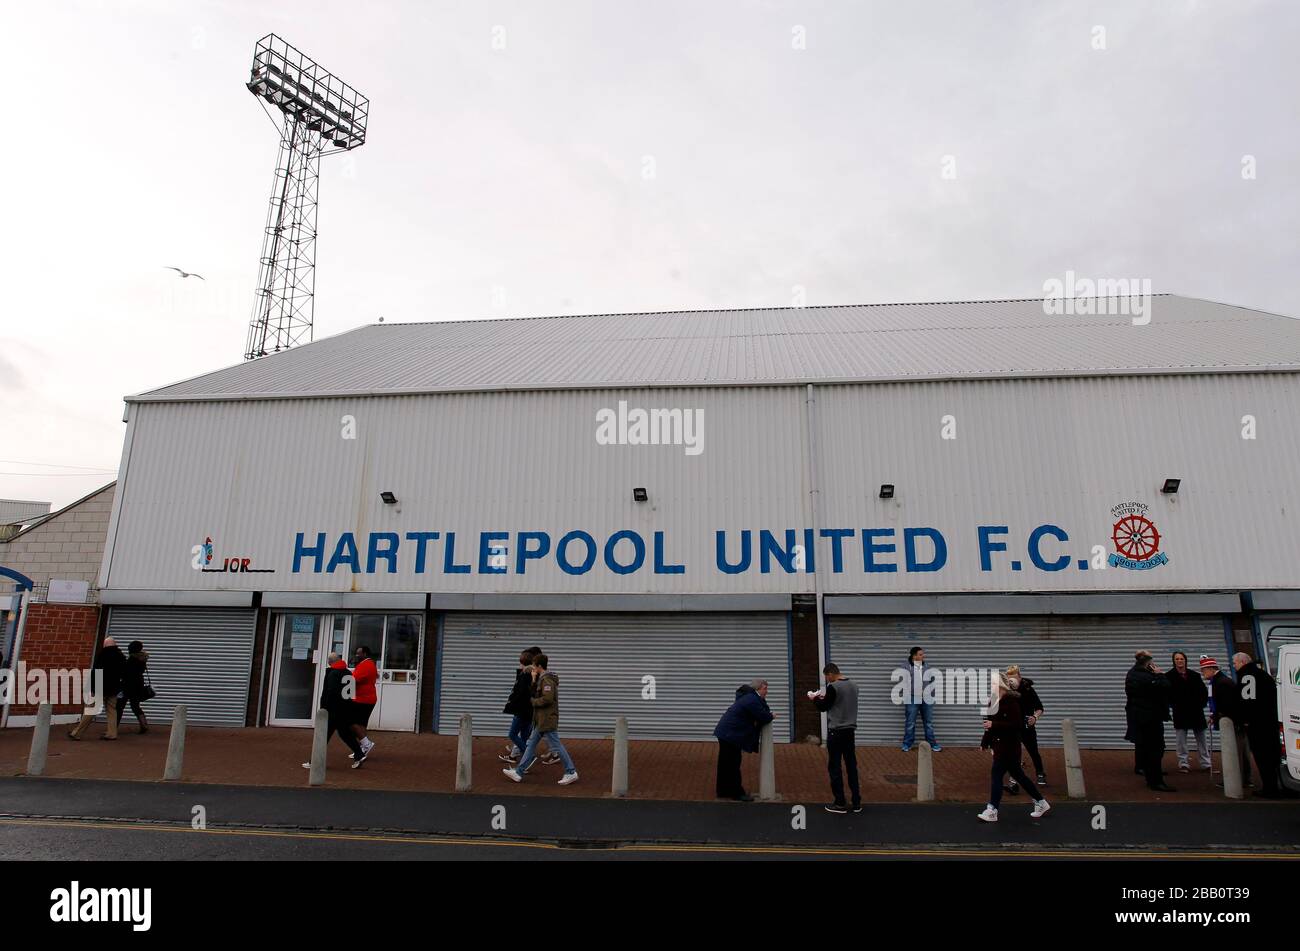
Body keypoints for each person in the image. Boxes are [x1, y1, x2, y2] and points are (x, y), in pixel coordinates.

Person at [977, 670, 1050, 822]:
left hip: (1009, 746)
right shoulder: (992, 701)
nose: (991, 686)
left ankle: (992, 810)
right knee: (1018, 776)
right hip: (999, 745)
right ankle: (1041, 802)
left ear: (1002, 685)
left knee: (997, 775)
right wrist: (985, 742)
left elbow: (1016, 725)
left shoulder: (1012, 702)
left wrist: (994, 724)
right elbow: (988, 725)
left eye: (993, 683)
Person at [502, 653, 578, 785]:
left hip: (547, 719)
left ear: (539, 666)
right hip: (541, 719)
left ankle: (571, 772)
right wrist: (532, 680)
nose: (533, 669)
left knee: (557, 746)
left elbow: (547, 699)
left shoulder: (547, 680)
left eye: (534, 666)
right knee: (531, 745)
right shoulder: (541, 678)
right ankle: (518, 772)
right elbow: (535, 692)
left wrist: (534, 702)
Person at [810, 663, 861, 814]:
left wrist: (814, 698)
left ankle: (840, 803)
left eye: (827, 677)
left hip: (836, 731)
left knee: (835, 767)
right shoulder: (854, 685)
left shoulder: (834, 687)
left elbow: (823, 707)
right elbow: (841, 702)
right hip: (850, 731)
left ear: (831, 674)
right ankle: (857, 802)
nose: (827, 680)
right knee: (851, 766)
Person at [712, 678, 775, 801]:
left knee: (725, 764)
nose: (766, 691)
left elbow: (763, 710)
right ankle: (737, 793)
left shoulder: (750, 698)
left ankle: (723, 791)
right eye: (765, 688)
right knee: (733, 763)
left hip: (726, 733)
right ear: (758, 689)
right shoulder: (752, 700)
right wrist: (771, 716)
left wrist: (764, 706)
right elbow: (764, 715)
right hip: (731, 735)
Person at [302, 652, 366, 769]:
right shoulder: (348, 673)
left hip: (334, 710)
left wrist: (324, 708)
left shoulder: (333, 674)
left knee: (323, 736)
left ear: (330, 662)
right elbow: (351, 692)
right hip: (346, 709)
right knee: (345, 734)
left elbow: (330, 693)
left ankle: (314, 762)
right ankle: (359, 754)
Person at [1125, 649, 1174, 791]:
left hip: (1141, 717)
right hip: (1150, 717)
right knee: (1155, 749)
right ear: (1147, 662)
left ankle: (1150, 775)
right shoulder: (1146, 676)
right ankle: (1155, 780)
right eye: (1151, 661)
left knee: (1147, 748)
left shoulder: (1133, 673)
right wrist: (1160, 675)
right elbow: (1165, 687)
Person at [1233, 652, 1281, 797]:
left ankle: (1269, 789)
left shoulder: (1247, 676)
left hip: (1257, 724)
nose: (1234, 666)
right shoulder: (1263, 674)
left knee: (1262, 756)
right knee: (1272, 756)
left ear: (1242, 662)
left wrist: (1244, 720)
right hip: (1270, 721)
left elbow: (1247, 699)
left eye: (1235, 663)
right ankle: (1274, 785)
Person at [1201, 656, 1250, 786]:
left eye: (1204, 670)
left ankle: (1237, 779)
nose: (1202, 673)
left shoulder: (1221, 683)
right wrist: (1214, 716)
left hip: (1233, 722)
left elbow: (1227, 705)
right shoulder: (1217, 681)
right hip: (1230, 721)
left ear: (1211, 669)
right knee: (1239, 751)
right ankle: (1243, 778)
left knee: (1236, 751)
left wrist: (1216, 715)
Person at [68, 637, 127, 741]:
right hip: (114, 687)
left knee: (91, 710)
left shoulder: (103, 655)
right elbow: (123, 673)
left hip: (101, 686)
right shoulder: (121, 656)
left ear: (106, 645)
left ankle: (77, 733)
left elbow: (96, 671)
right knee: (112, 710)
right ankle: (112, 733)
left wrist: (90, 687)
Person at [1002, 665, 1046, 795]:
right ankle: (1013, 783)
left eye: (1014, 677)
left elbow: (1040, 708)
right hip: (1013, 729)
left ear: (1019, 677)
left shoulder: (1028, 690)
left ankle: (1040, 772)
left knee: (1033, 752)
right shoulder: (1006, 691)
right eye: (1009, 678)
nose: (1012, 681)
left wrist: (1034, 717)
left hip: (1027, 727)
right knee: (1014, 755)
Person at [1166, 651, 1210, 773]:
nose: (1179, 661)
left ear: (1185, 660)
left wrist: (1201, 704)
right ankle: (1183, 763)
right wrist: (1173, 705)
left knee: (1201, 738)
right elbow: (1167, 694)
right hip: (1180, 711)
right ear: (1173, 661)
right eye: (1177, 659)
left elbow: (1203, 692)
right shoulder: (1169, 676)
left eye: (1181, 659)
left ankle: (1205, 763)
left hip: (1196, 711)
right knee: (1181, 739)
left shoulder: (1194, 675)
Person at [500, 648, 538, 764]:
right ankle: (524, 764)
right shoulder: (533, 675)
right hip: (530, 712)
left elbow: (519, 694)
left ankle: (529, 756)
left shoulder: (524, 675)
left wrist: (510, 704)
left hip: (521, 711)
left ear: (523, 663)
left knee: (512, 734)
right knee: (524, 737)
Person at [901, 646, 940, 753]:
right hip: (912, 698)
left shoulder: (926, 666)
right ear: (914, 656)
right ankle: (907, 744)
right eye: (921, 654)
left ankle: (932, 744)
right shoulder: (906, 667)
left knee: (928, 722)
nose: (923, 656)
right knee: (910, 723)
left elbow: (932, 680)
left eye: (923, 654)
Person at [114, 640, 152, 734]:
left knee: (119, 706)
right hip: (138, 685)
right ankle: (144, 725)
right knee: (135, 706)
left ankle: (113, 727)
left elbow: (125, 673)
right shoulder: (142, 659)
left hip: (127, 686)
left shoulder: (132, 660)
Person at [348, 644, 379, 760]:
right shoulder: (368, 664)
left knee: (351, 723)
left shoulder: (366, 665)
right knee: (361, 724)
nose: (356, 655)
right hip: (366, 698)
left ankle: (366, 744)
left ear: (365, 654)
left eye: (358, 653)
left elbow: (353, 680)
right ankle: (362, 749)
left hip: (363, 699)